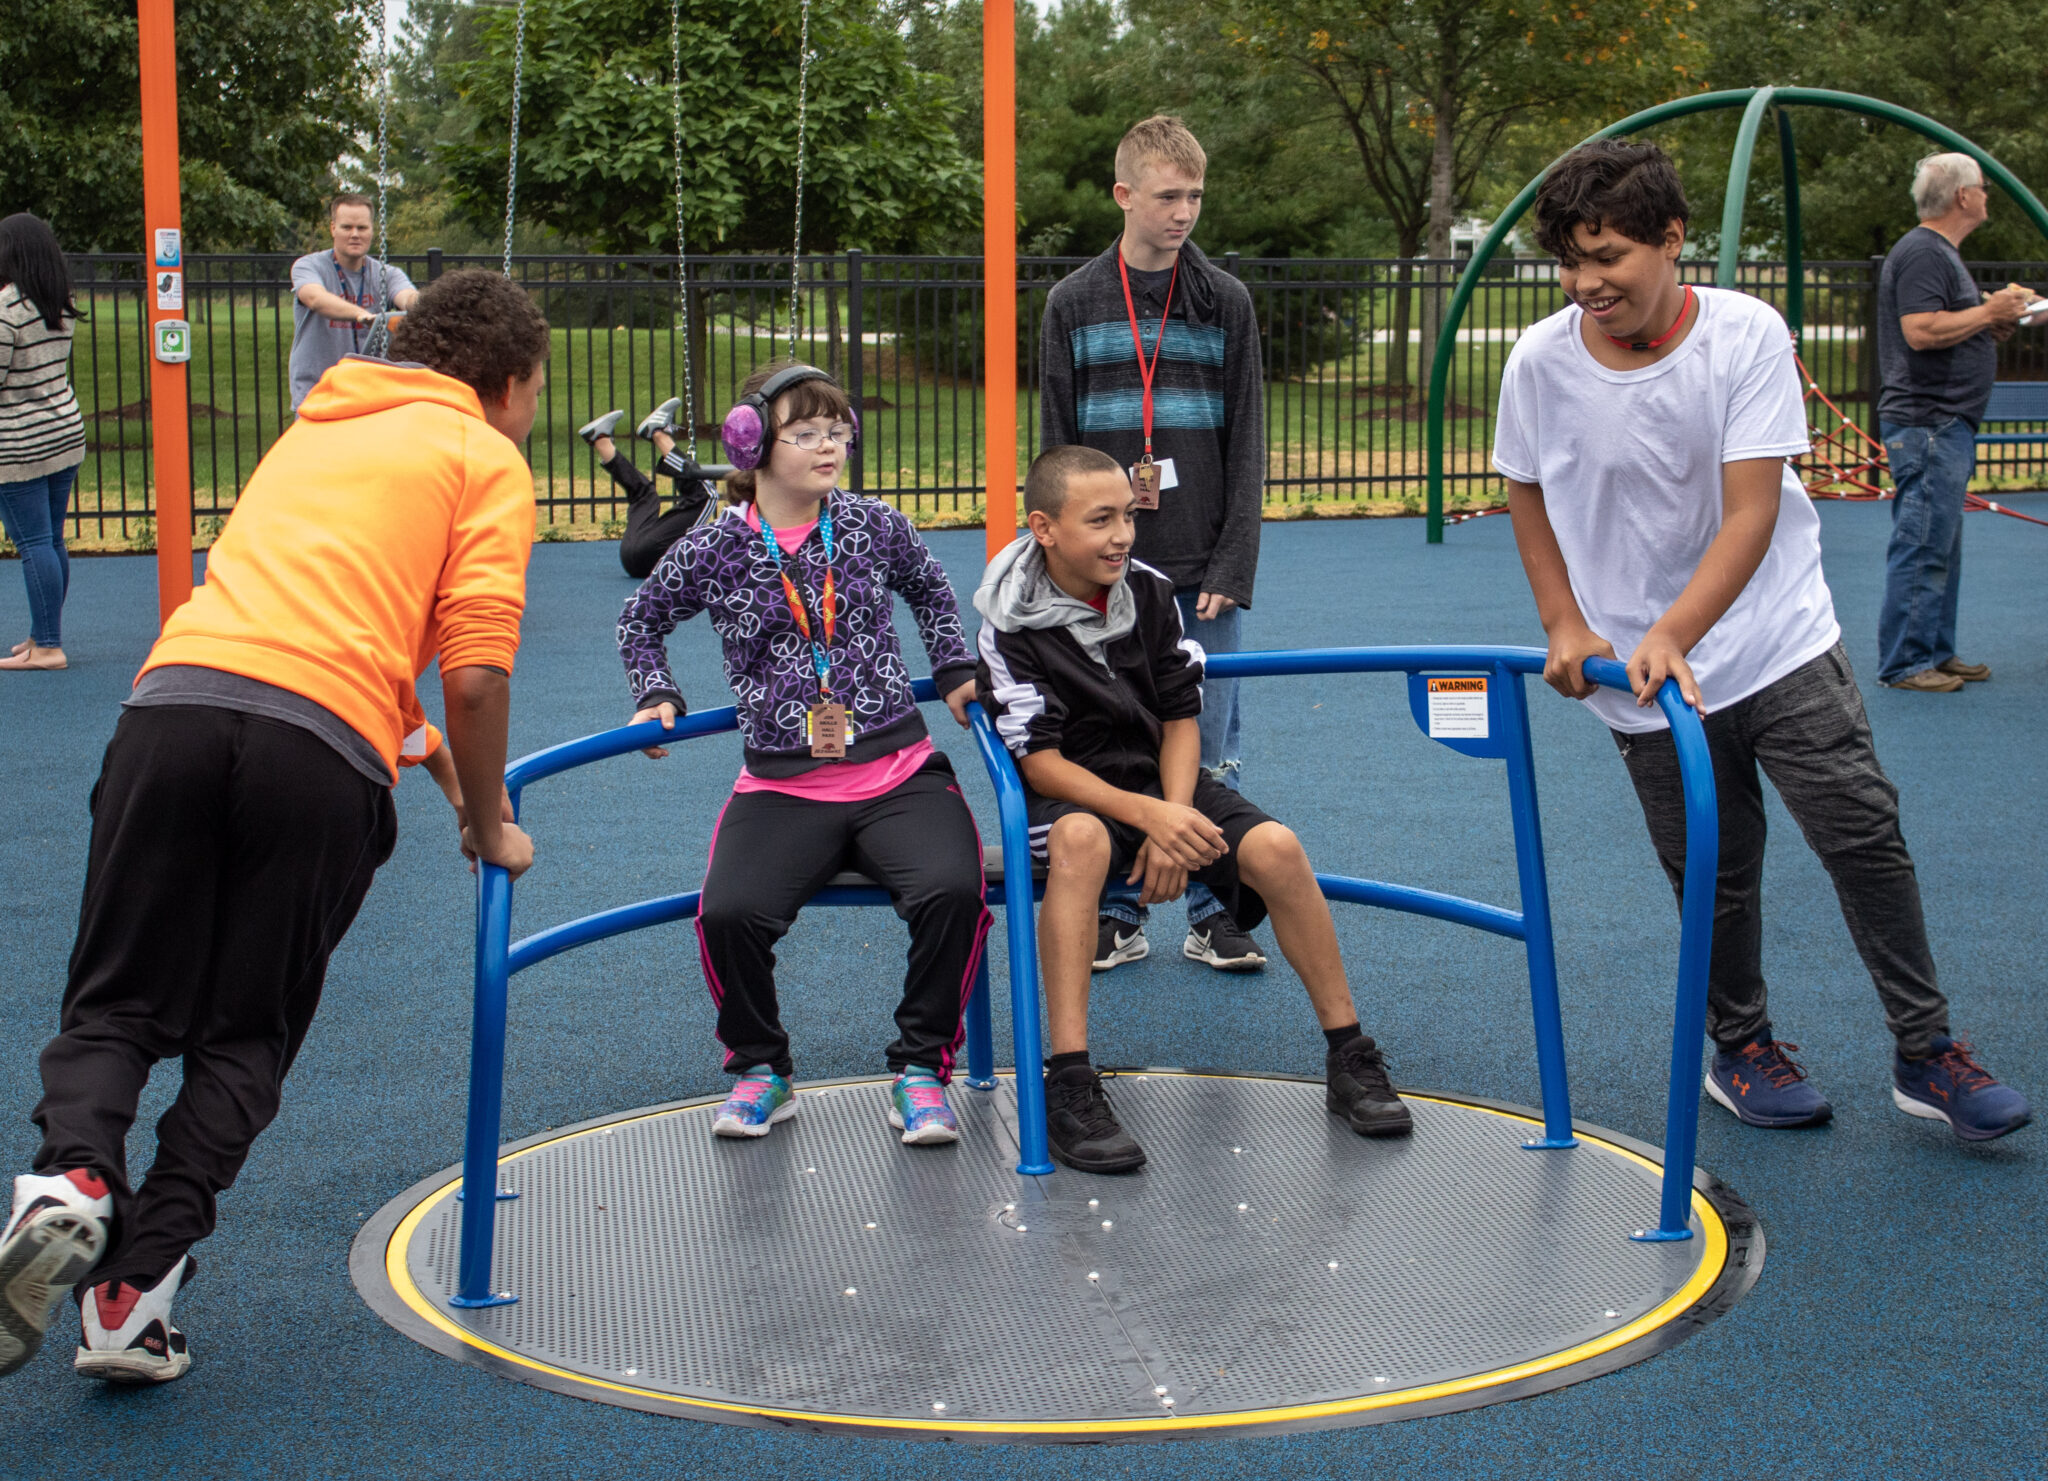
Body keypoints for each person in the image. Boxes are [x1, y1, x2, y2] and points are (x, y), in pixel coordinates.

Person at [0, 268, 549, 1386]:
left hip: (179, 706)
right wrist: (491, 821)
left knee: (114, 999)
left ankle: (73, 1181)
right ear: (507, 383)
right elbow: (477, 670)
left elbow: (326, 632)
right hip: (317, 755)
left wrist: (445, 778)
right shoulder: (485, 457)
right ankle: (133, 1279)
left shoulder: (315, 432)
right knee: (243, 1032)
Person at [1493, 139, 2030, 1142]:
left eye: (1605, 255)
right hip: (1641, 675)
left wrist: (1672, 628)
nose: (1584, 282)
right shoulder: (1540, 361)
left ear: (1669, 239)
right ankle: (1739, 1047)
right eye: (1568, 260)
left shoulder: (1741, 335)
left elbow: (1749, 514)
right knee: (1712, 861)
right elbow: (1521, 483)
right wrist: (1563, 619)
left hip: (1773, 637)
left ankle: (1925, 1051)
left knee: (1860, 832)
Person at [974, 444, 1412, 1174]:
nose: (1121, 534)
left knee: (1277, 848)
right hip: (1072, 788)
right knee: (1081, 842)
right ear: (1044, 528)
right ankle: (1070, 1078)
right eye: (1100, 519)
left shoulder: (1145, 590)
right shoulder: (1008, 620)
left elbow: (1181, 715)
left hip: (1159, 776)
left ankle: (1349, 1054)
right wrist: (1148, 820)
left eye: (1127, 515)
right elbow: (1038, 759)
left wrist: (1171, 819)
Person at [617, 362, 990, 1148]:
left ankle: (921, 1068)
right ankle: (762, 1067)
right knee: (727, 914)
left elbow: (929, 587)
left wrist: (954, 666)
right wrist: (658, 692)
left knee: (955, 892)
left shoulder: (871, 522)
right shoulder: (716, 545)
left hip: (898, 772)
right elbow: (639, 619)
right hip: (782, 782)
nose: (831, 445)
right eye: (808, 432)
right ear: (752, 443)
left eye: (838, 430)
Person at [1038, 115, 1268, 976]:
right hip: (1100, 571)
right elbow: (1056, 447)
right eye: (1168, 196)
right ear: (1124, 195)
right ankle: (1123, 907)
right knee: (1113, 735)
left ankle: (1214, 908)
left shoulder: (1225, 302)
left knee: (1207, 739)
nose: (1185, 213)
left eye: (1196, 196)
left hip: (1200, 565)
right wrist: (1059, 562)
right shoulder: (1072, 303)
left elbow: (1246, 439)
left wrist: (1233, 562)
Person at [1873, 153, 2030, 692]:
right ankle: (1906, 662)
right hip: (1929, 420)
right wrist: (1990, 313)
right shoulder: (1923, 252)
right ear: (1963, 196)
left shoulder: (1938, 254)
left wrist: (1993, 320)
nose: (1987, 196)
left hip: (1943, 420)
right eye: (1983, 188)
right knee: (1923, 540)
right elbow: (1919, 330)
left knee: (1941, 541)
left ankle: (1934, 650)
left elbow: (1947, 324)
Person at [0, 212, 86, 672]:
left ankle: (48, 647)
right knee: (50, 539)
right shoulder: (59, 301)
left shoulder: (6, 309)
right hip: (63, 430)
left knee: (32, 541)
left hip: (18, 442)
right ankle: (43, 634)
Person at [288, 193, 421, 411]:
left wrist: (423, 303)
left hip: (368, 393)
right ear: (333, 229)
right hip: (317, 393)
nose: (355, 235)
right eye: (346, 227)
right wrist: (362, 316)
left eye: (362, 228)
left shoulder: (386, 274)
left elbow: (407, 297)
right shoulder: (308, 266)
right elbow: (315, 298)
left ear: (372, 231)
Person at [578, 397, 716, 578]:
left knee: (646, 496)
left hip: (638, 556)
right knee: (705, 495)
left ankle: (602, 439)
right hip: (638, 558)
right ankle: (657, 433)